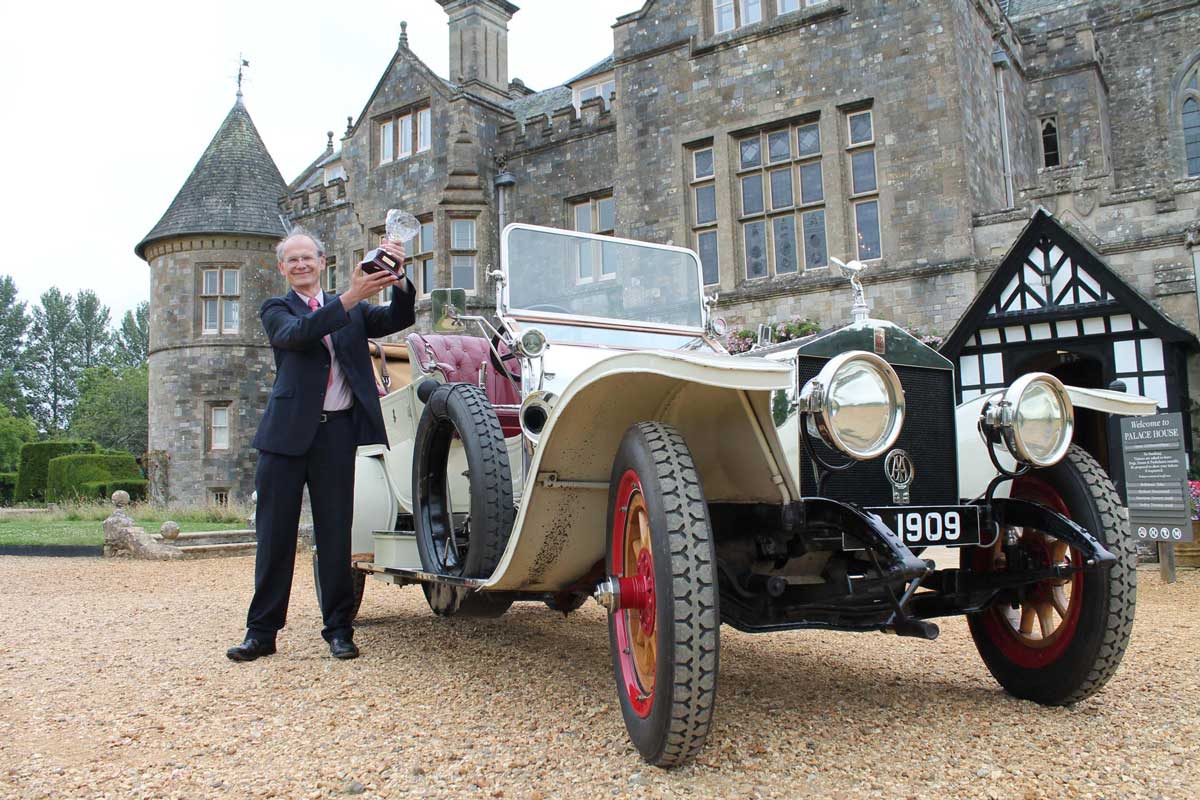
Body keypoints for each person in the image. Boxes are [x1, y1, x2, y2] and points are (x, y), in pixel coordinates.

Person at [227, 229, 414, 662]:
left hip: (337, 434)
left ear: (322, 261)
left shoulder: (355, 308)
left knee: (335, 536)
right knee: (275, 535)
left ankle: (339, 630)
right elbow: (297, 335)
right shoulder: (277, 308)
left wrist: (397, 275)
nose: (299, 265)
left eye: (306, 258)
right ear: (282, 268)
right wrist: (349, 296)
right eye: (290, 260)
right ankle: (262, 633)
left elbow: (399, 317)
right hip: (284, 437)